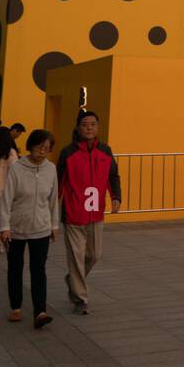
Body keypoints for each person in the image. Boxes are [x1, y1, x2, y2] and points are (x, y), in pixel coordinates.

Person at [57, 110, 121, 315]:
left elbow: (113, 176)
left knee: (94, 255)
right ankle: (80, 298)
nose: (89, 128)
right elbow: (58, 183)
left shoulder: (105, 150)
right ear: (78, 128)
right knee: (76, 257)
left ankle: (73, 279)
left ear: (97, 127)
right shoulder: (68, 153)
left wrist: (116, 197)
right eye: (85, 124)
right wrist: (50, 210)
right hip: (74, 213)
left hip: (95, 212)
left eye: (93, 124)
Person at [0, 129, 59, 328]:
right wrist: (4, 227)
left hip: (41, 227)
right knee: (15, 268)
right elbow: (6, 199)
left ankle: (40, 312)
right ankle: (16, 307)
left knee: (38, 270)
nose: (42, 151)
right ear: (31, 145)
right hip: (16, 227)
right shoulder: (17, 168)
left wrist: (54, 225)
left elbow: (53, 200)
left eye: (47, 148)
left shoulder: (51, 169)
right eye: (39, 146)